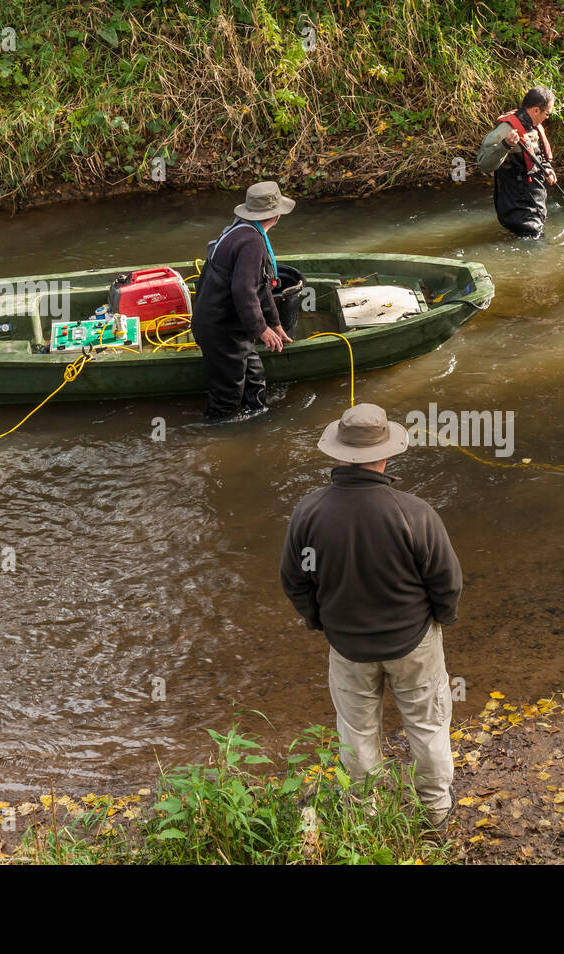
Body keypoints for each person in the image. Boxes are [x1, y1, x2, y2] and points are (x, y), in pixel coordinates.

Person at [280, 403, 463, 829]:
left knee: (357, 734)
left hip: (347, 646)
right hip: (414, 642)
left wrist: (318, 620)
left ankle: (365, 815)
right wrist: (441, 620)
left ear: (339, 453)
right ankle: (435, 812)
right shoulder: (414, 512)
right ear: (387, 454)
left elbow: (295, 581)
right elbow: (447, 583)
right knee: (427, 726)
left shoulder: (308, 512)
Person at [190, 181, 295, 421]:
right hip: (221, 329)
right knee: (227, 398)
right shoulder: (252, 242)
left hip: (234, 326)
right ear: (276, 215)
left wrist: (275, 324)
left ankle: (257, 420)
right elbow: (243, 291)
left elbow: (262, 287)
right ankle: (215, 433)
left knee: (255, 380)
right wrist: (261, 329)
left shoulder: (242, 229)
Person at [476, 86, 558, 238]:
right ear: (535, 110)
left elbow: (537, 154)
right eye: (548, 113)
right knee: (535, 244)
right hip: (518, 206)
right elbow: (483, 163)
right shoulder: (505, 130)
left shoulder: (533, 127)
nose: (548, 116)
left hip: (533, 202)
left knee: (534, 239)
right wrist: (505, 145)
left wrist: (547, 168)